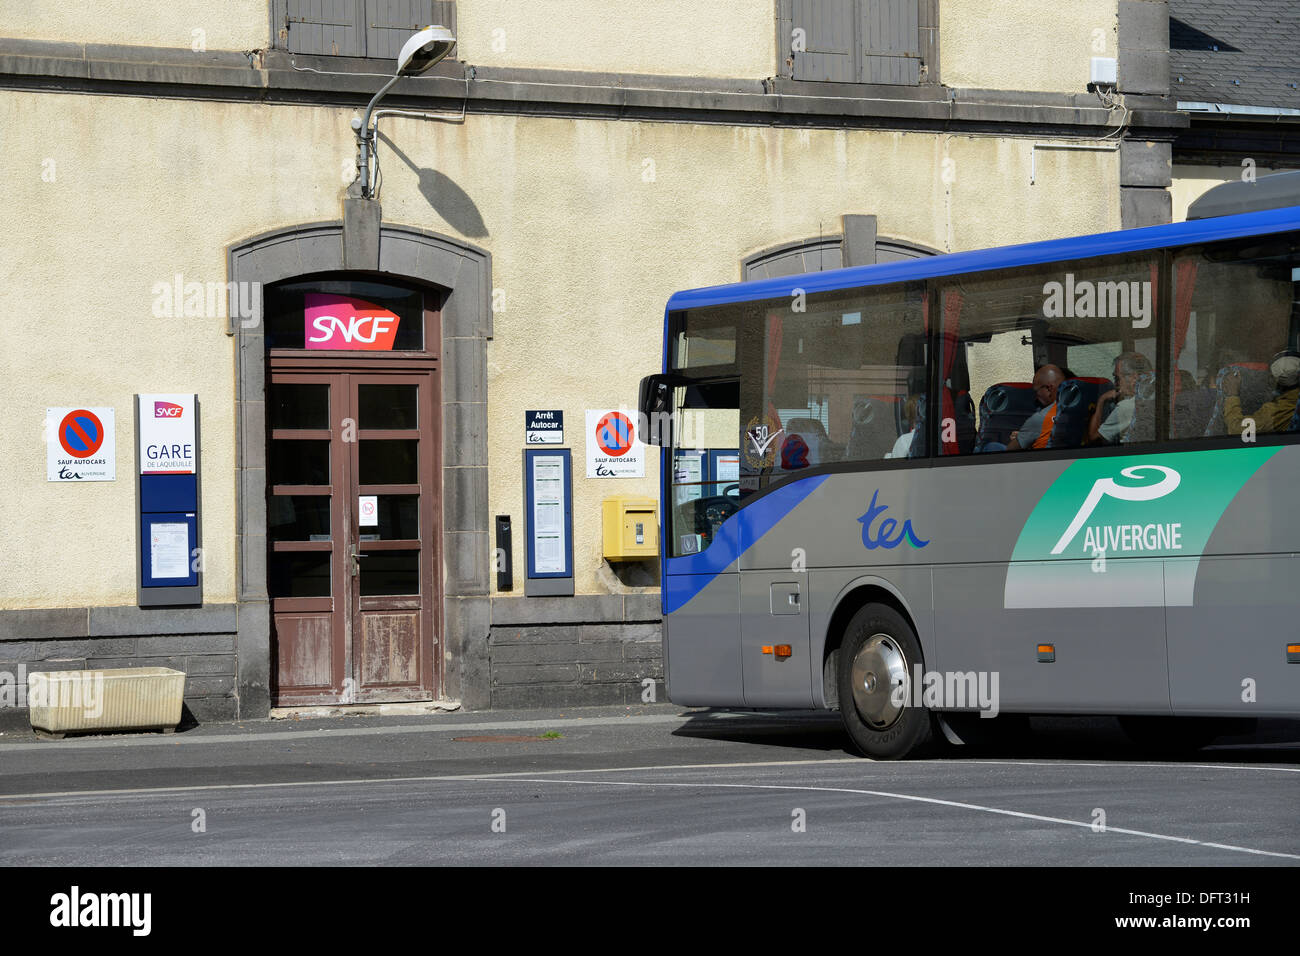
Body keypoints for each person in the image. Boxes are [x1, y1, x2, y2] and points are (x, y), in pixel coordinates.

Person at [1223, 349, 1300, 434]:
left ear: (1274, 382)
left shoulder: (1277, 411)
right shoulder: (1294, 402)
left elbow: (1236, 429)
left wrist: (1232, 395)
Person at [1087, 351, 1152, 445]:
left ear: (1134, 378)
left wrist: (1101, 400)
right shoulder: (1154, 399)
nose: (1116, 384)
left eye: (1117, 378)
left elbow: (1093, 438)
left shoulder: (1126, 407)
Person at [1003, 364, 1065, 450]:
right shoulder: (1078, 409)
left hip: (1045, 462)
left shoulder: (1040, 418)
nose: (1036, 397)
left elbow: (1009, 451)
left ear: (1048, 389)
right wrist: (1025, 435)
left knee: (991, 446)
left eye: (1036, 391)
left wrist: (1024, 436)